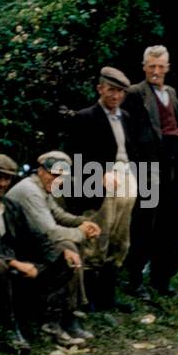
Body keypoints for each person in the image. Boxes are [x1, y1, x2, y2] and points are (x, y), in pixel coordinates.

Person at [0, 153, 81, 352]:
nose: (2, 183)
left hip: (13, 267)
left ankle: (50, 321)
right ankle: (7, 329)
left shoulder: (11, 207)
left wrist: (61, 251)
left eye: (7, 178)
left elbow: (33, 236)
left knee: (64, 258)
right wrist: (13, 262)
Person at [67, 66, 138, 311]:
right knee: (98, 239)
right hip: (100, 185)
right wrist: (98, 174)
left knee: (121, 241)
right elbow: (76, 156)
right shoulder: (85, 117)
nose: (115, 96)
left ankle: (109, 297)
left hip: (127, 180)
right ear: (100, 89)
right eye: (111, 90)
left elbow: (130, 152)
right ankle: (87, 299)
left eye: (120, 92)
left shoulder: (126, 118)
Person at [6, 151, 95, 341]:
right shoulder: (29, 191)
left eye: (61, 176)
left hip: (33, 240)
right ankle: (55, 320)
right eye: (53, 174)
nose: (57, 180)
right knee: (69, 247)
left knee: (72, 247)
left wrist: (82, 222)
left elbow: (58, 213)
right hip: (16, 248)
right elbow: (49, 232)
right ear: (40, 171)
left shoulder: (42, 188)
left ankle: (69, 313)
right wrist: (81, 233)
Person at [123, 45, 178, 299]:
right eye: (152, 66)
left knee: (170, 222)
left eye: (161, 67)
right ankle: (135, 280)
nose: (156, 71)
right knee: (143, 222)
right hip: (148, 165)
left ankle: (163, 279)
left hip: (172, 165)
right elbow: (127, 131)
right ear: (144, 67)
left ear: (168, 68)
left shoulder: (171, 93)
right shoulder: (135, 93)